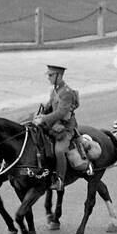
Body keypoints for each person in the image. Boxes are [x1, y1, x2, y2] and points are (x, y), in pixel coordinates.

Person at [31, 63, 83, 191]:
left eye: (50, 75)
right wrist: (41, 113)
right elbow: (51, 106)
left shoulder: (66, 93)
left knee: (59, 150)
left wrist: (44, 119)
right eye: (48, 75)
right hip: (54, 125)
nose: (48, 78)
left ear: (59, 76)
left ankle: (60, 180)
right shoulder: (55, 90)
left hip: (66, 129)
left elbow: (61, 112)